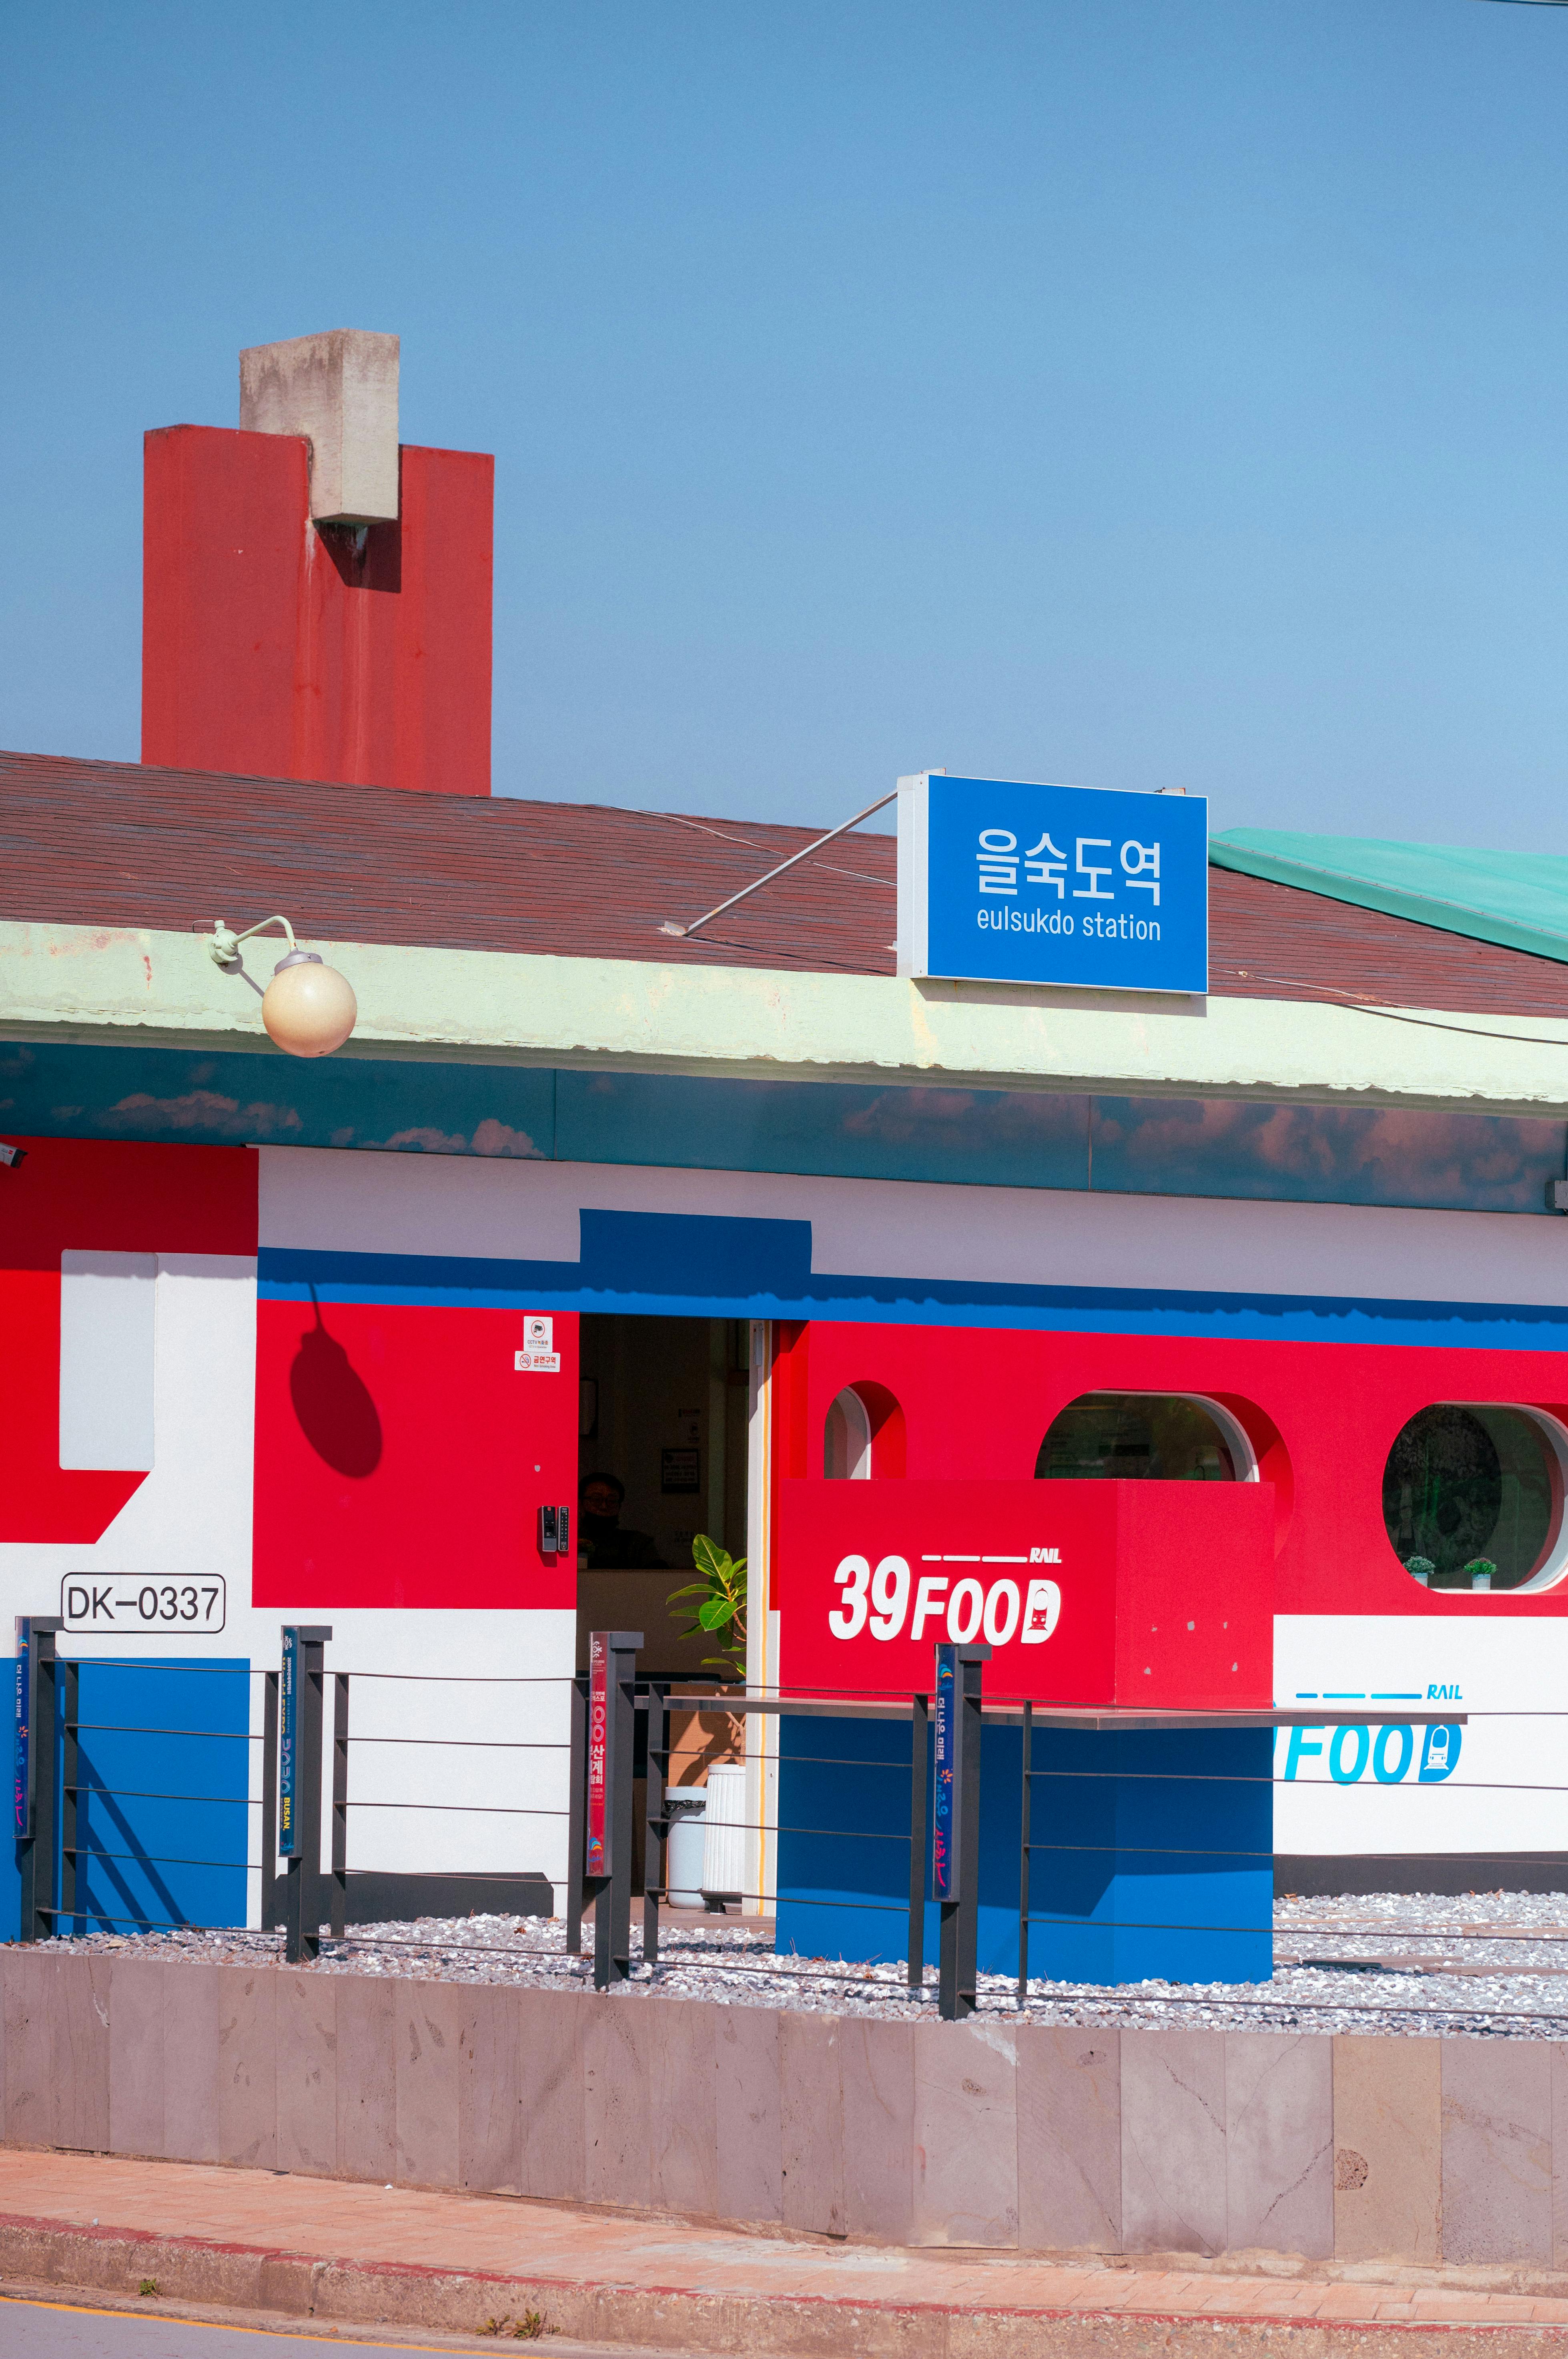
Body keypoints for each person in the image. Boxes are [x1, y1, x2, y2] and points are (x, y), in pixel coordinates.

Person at [577, 1472, 664, 1570]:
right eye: (596, 1499)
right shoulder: (567, 1541)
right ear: (580, 1504)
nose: (604, 1506)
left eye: (612, 1501)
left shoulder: (637, 1543)